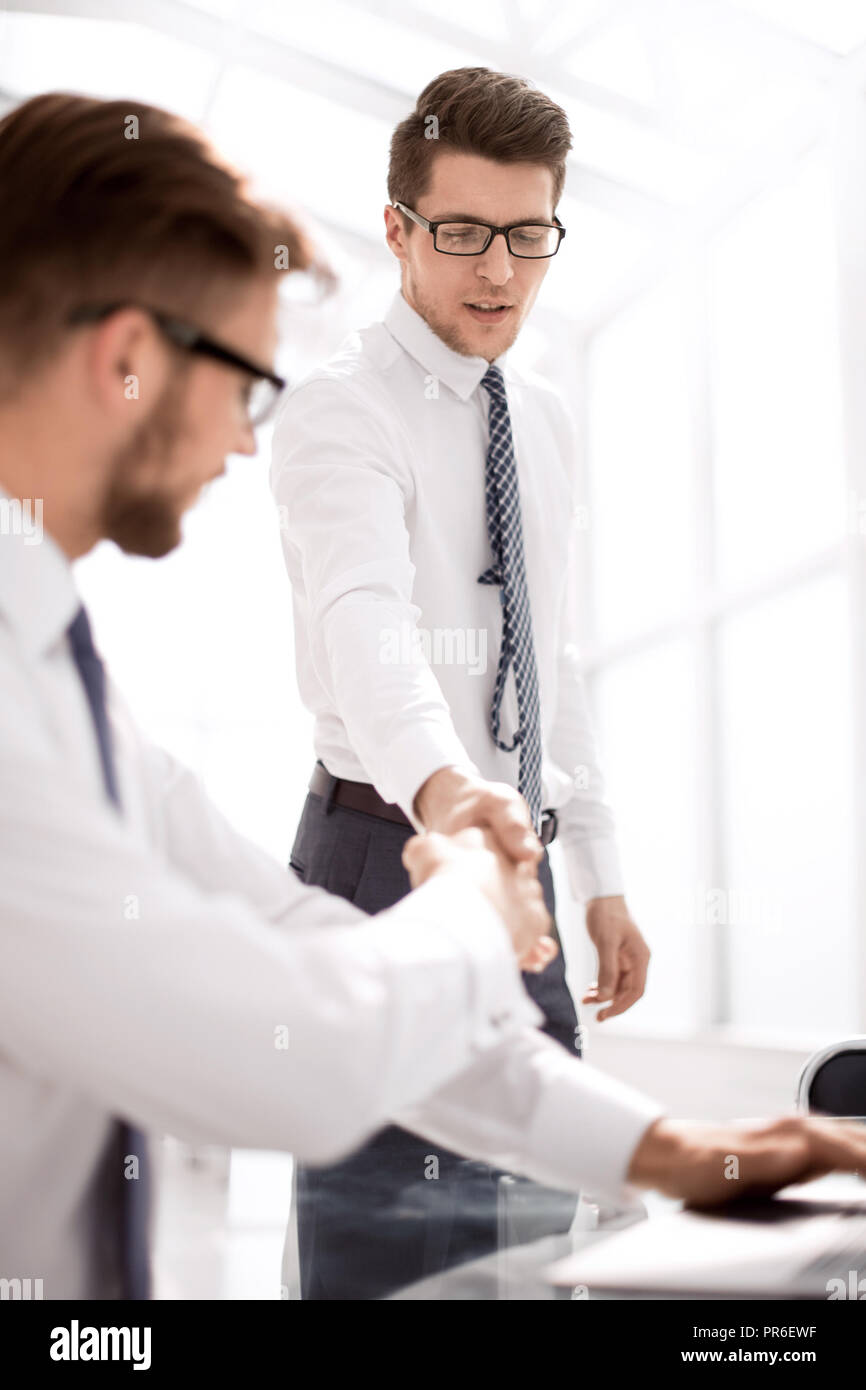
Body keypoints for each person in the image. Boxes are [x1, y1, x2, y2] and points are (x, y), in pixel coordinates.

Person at [2, 91, 865, 1305]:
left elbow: (310, 938)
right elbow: (307, 1044)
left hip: (475, 865)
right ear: (128, 362)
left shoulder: (58, 671)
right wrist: (462, 851)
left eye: (528, 235)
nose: (250, 441)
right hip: (404, 839)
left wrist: (661, 1148)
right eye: (246, 380)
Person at [270, 65, 653, 1299]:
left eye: (527, 236)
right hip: (383, 862)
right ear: (397, 229)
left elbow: (553, 653)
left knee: (528, 1249)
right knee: (375, 1253)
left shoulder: (539, 416)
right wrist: (452, 802)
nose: (498, 272)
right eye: (462, 235)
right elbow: (365, 628)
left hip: (521, 879)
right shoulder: (340, 411)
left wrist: (594, 869)